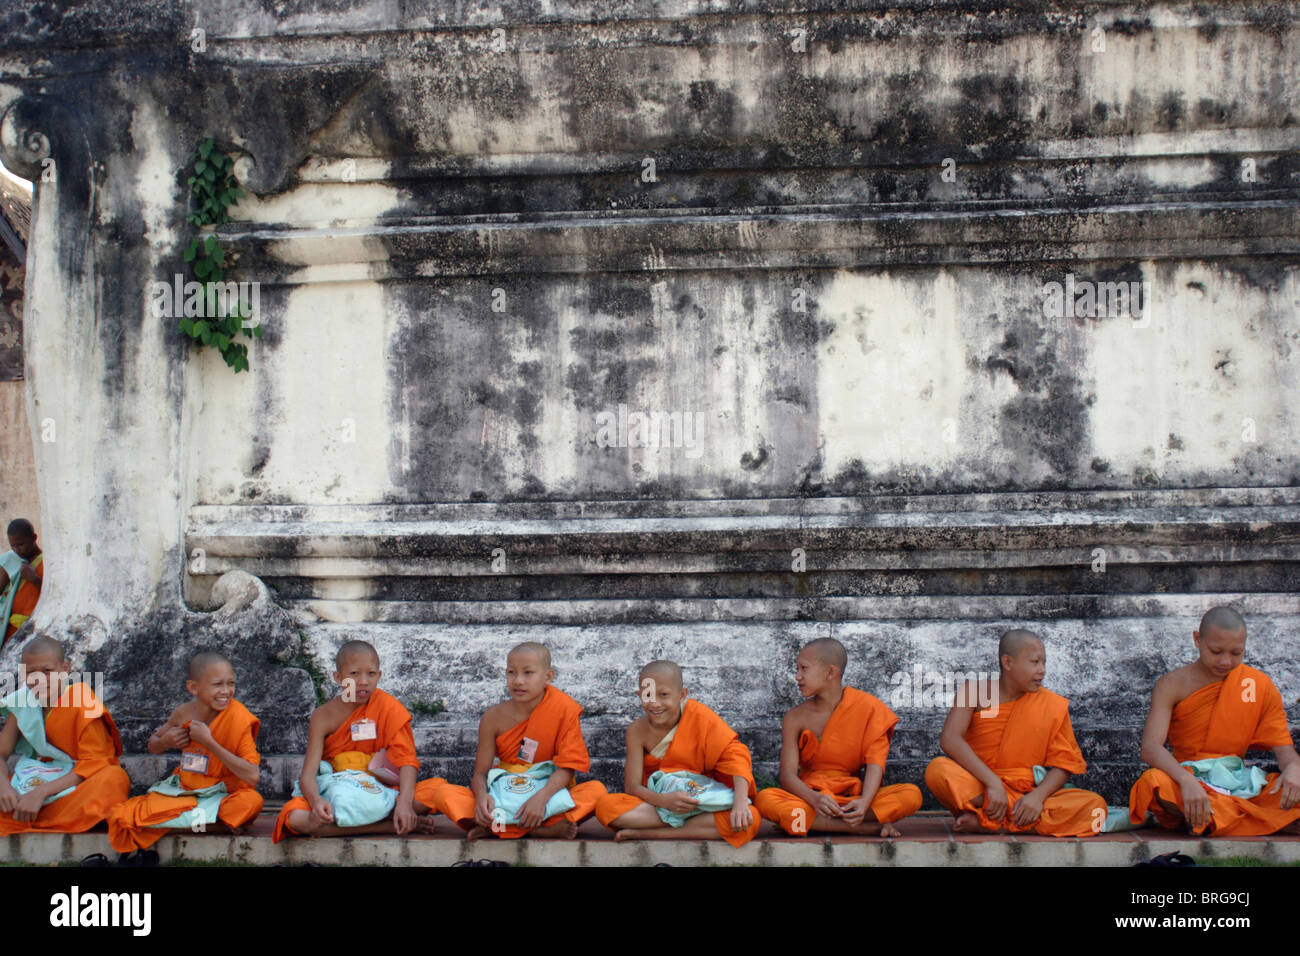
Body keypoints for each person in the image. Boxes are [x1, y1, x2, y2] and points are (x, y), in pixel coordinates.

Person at [1129, 606, 1300, 836]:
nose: (1226, 661)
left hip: (1239, 785)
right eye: (1216, 651)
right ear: (1197, 639)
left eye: (1236, 653)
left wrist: (1294, 769)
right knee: (1153, 784)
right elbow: (1150, 748)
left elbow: (1286, 753)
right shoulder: (1172, 685)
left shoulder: (1257, 685)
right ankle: (1265, 821)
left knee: (1292, 787)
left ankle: (1214, 819)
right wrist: (1185, 781)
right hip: (1187, 781)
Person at [924, 629, 1107, 837]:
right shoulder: (977, 693)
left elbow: (1065, 764)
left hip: (1027, 795)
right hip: (982, 787)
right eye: (1035, 662)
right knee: (938, 770)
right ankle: (1016, 821)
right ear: (1008, 663)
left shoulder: (1051, 704)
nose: (1042, 670)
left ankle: (993, 823)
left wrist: (1037, 797)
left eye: (1044, 663)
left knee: (1096, 809)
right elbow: (950, 739)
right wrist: (993, 783)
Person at [433, 642, 606, 839]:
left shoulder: (563, 710)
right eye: (511, 672)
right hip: (503, 792)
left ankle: (498, 828)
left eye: (528, 673)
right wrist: (482, 798)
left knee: (596, 792)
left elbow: (568, 766)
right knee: (443, 794)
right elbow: (480, 773)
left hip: (546, 789)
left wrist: (541, 798)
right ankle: (536, 829)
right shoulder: (492, 717)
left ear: (548, 677)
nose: (518, 681)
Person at [272, 640, 441, 841]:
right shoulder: (323, 717)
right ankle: (386, 827)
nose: (363, 681)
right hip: (336, 790)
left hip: (380, 789)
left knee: (439, 792)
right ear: (338, 677)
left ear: (379, 676)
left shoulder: (388, 708)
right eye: (354, 674)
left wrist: (404, 802)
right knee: (296, 819)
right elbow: (308, 775)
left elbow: (407, 760)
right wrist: (317, 801)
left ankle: (393, 813)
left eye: (370, 674)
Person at [106, 651, 263, 862]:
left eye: (230, 683)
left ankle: (176, 824)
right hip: (185, 793)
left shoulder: (239, 718)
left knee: (250, 802)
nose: (226, 692)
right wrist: (166, 741)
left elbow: (252, 776)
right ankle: (206, 825)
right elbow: (153, 745)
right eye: (218, 685)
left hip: (221, 795)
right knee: (122, 814)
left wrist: (210, 743)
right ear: (193, 688)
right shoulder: (183, 713)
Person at [755, 638, 922, 836]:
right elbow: (787, 776)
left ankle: (818, 823)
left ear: (831, 672)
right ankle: (867, 827)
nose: (797, 677)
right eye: (797, 669)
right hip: (812, 798)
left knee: (911, 795)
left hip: (853, 796)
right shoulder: (795, 718)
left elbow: (875, 765)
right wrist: (814, 799)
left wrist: (864, 802)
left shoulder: (869, 709)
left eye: (804, 669)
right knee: (765, 799)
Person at [595, 660, 760, 846]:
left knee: (750, 818)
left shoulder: (699, 717)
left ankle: (652, 834)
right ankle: (687, 827)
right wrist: (664, 801)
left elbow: (736, 756)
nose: (655, 704)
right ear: (639, 695)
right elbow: (632, 787)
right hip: (660, 805)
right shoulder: (637, 731)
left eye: (664, 695)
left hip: (702, 802)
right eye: (648, 695)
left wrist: (739, 804)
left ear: (682, 695)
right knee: (605, 807)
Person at [0, 636, 130, 834]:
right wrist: (5, 787)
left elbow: (95, 764)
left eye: (47, 671)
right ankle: (31, 814)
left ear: (64, 669)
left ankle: (29, 817)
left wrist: (41, 793)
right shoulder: (22, 701)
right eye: (31, 672)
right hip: (37, 775)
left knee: (113, 779)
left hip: (74, 784)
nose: (39, 679)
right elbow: (2, 754)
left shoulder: (83, 702)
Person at [0, 519, 43, 646]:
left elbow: (56, 596)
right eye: (13, 546)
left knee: (23, 664)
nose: (17, 549)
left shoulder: (47, 564)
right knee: (9, 663)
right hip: (9, 629)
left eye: (20, 544)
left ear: (34, 538)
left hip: (32, 630)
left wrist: (34, 579)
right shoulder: (12, 559)